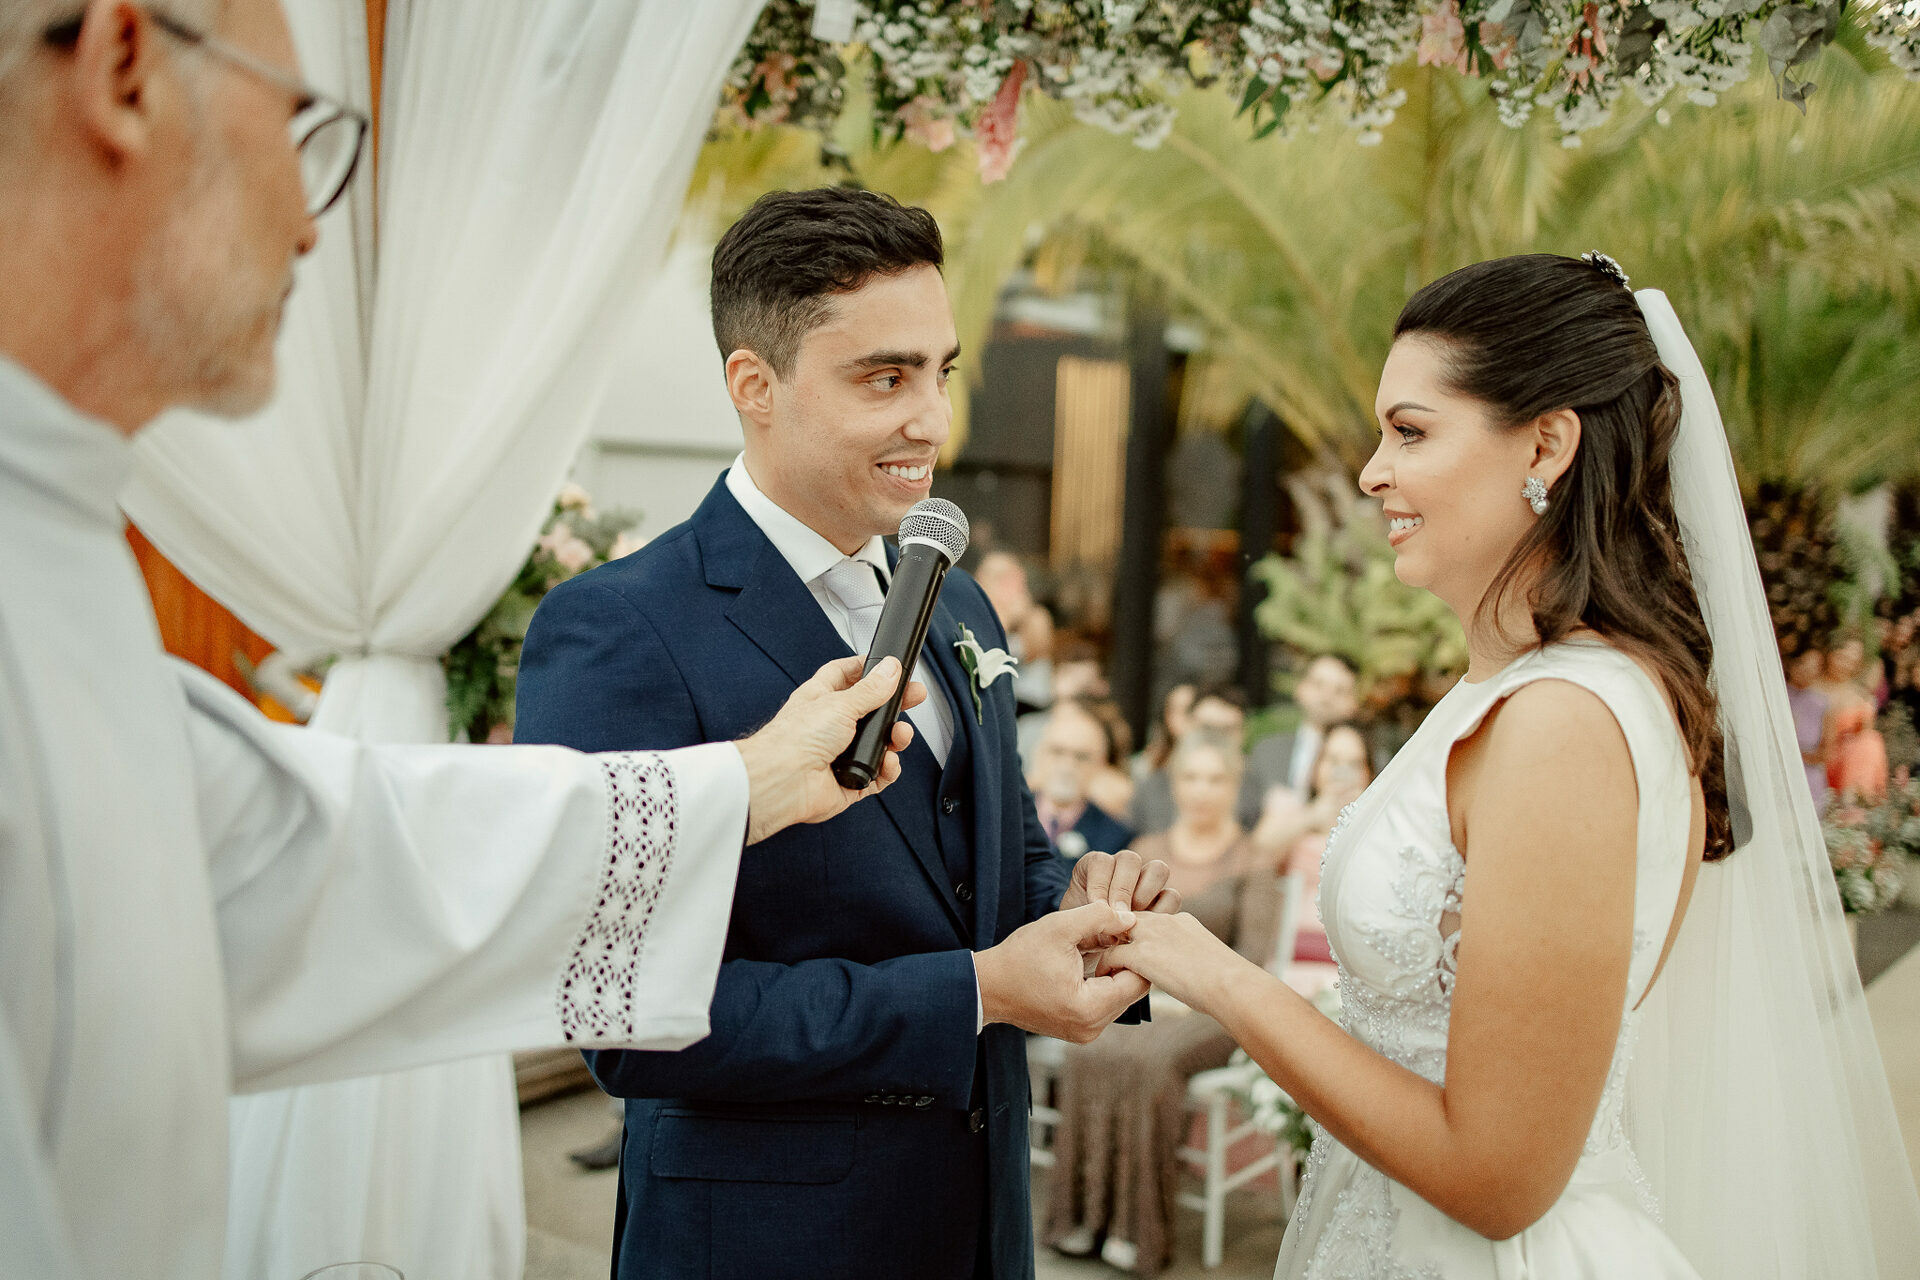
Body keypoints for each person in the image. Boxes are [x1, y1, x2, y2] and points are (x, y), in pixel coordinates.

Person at [0, 4, 944, 1277]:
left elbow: (294, 854)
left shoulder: (49, 525)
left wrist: (745, 783)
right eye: (302, 127)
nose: (309, 220)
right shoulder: (623, 619)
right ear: (125, 67)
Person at [1103, 254, 1920, 1278]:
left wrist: (1214, 972)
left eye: (1410, 430)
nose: (1370, 470)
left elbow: (1498, 1176)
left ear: (1546, 441)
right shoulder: (1514, 691)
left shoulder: (1565, 720)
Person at [513, 186, 1176, 1280]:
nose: (933, 418)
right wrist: (979, 990)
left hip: (977, 1220)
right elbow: (627, 1020)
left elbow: (994, 855)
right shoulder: (618, 628)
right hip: (769, 1239)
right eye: (886, 377)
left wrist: (1083, 908)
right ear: (753, 384)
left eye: (941, 370)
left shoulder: (958, 604)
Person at [1042, 731, 1271, 1275]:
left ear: (1233, 786)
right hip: (1140, 990)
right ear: (1174, 783)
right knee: (1088, 1045)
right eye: (1192, 777)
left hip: (1215, 1006)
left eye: (1216, 779)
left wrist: (1188, 993)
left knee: (1150, 1061)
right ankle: (1082, 1219)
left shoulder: (1251, 858)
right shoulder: (1147, 845)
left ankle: (1134, 1228)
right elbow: (1117, 935)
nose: (1202, 790)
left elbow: (1254, 957)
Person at [1247, 721, 1374, 999]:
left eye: (1353, 763)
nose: (1342, 771)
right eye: (1333, 760)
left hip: (1349, 963)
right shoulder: (1289, 806)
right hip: (1288, 954)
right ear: (1317, 764)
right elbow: (1256, 854)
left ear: (1368, 771)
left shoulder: (1377, 827)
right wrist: (1313, 816)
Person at [1129, 684, 1263, 835]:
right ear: (1187, 725)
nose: (1215, 738)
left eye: (1227, 729)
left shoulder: (1259, 792)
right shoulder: (1152, 788)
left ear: (1242, 733)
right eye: (1206, 727)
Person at [1029, 696, 1136, 865]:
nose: (1067, 766)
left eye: (1081, 757)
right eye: (1057, 751)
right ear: (1040, 753)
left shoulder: (1116, 836)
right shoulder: (1006, 814)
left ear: (1100, 764)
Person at [1244, 654, 1360, 801]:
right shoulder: (1266, 750)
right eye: (1318, 685)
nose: (1326, 697)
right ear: (1300, 687)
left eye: (1339, 691)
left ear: (1354, 702)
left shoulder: (1365, 759)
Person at [1823, 632, 1890, 802]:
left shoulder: (1860, 697)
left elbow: (1864, 737)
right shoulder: (1812, 686)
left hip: (1845, 764)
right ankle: (1853, 804)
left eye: (1853, 660)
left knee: (1870, 741)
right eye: (1843, 657)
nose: (1847, 664)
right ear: (1830, 654)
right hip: (1816, 756)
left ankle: (1855, 803)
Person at [1783, 642, 1833, 812]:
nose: (1808, 670)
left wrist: (1794, 754)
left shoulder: (1822, 704)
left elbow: (1825, 752)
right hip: (1779, 772)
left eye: (1815, 666)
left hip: (1807, 776)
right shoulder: (1778, 698)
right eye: (1804, 663)